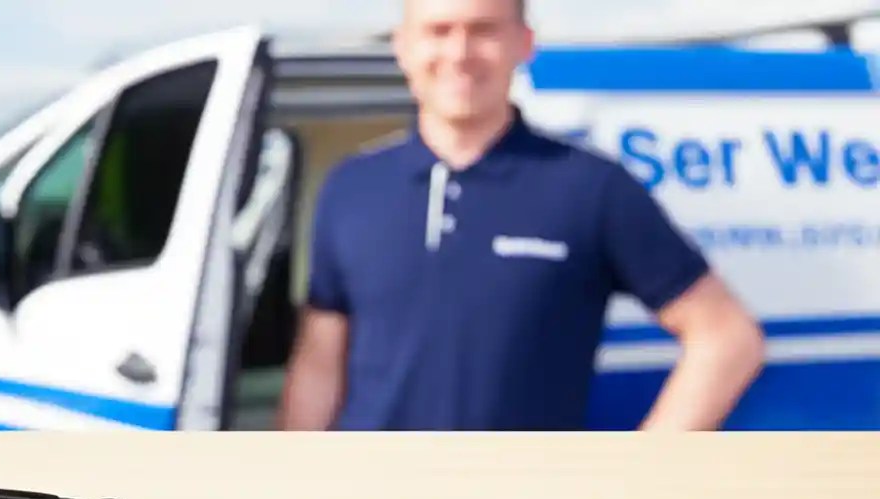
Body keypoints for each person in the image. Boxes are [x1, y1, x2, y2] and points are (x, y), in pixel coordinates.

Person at [277, 0, 766, 431]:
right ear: (403, 47)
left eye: (484, 29)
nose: (460, 52)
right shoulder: (351, 188)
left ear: (524, 42)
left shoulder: (590, 187)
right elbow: (320, 363)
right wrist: (294, 487)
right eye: (438, 31)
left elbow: (726, 337)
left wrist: (640, 473)